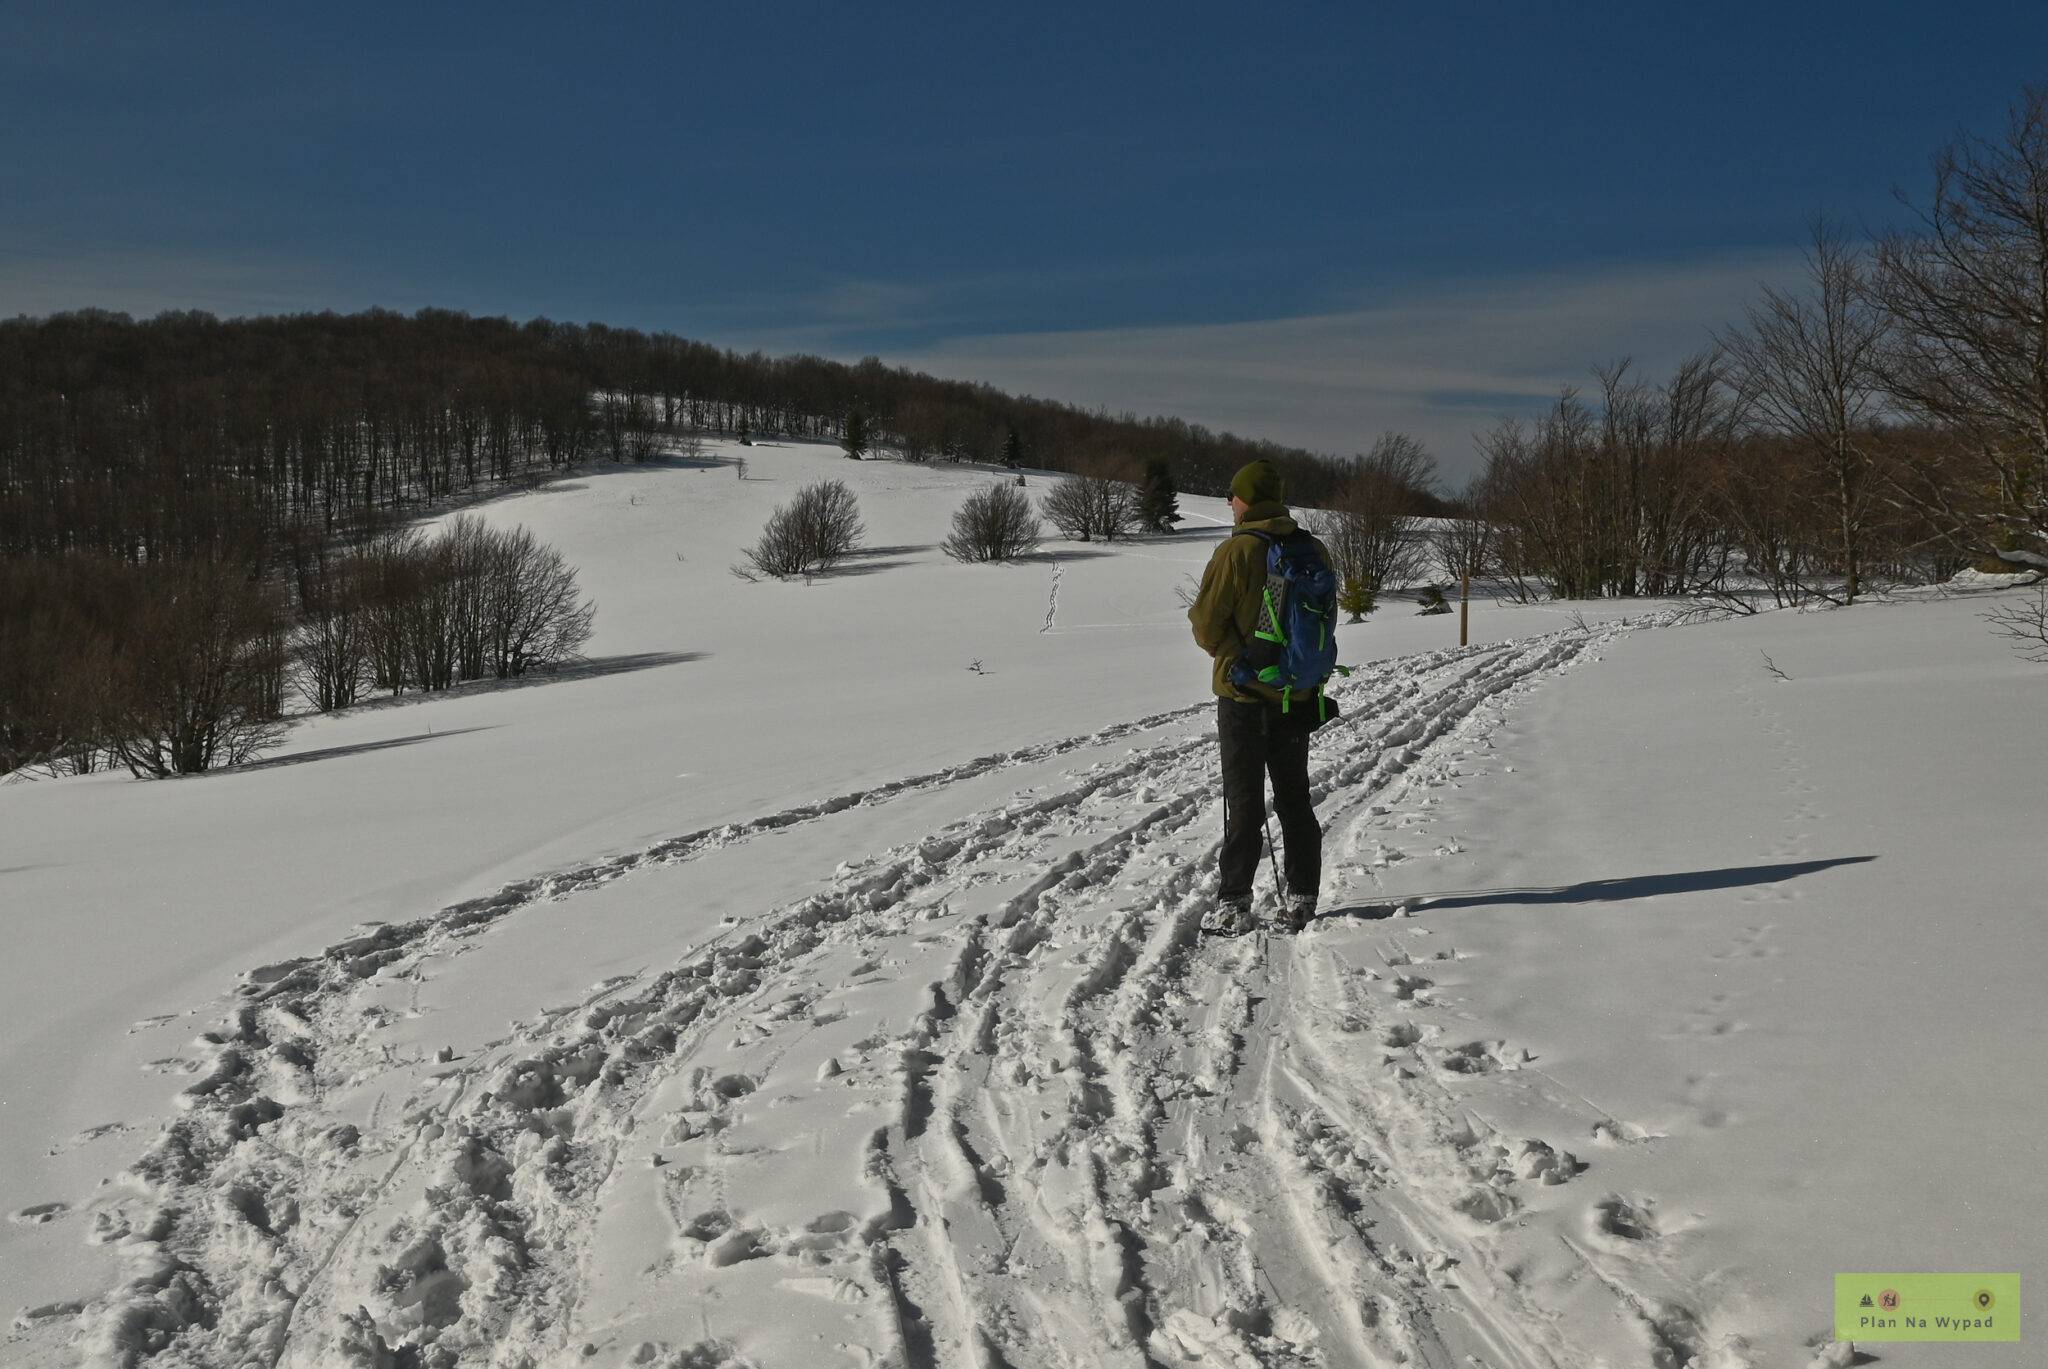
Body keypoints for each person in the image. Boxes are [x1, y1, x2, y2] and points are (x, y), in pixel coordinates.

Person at [1187, 459, 1328, 933]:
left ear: (1247, 499)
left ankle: (1233, 903)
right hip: (1297, 693)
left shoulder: (1239, 550)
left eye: (1233, 494)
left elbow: (1206, 625)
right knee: (1293, 797)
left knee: (1244, 800)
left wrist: (1237, 658)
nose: (1229, 503)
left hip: (1244, 696)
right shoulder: (1312, 548)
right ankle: (1304, 895)